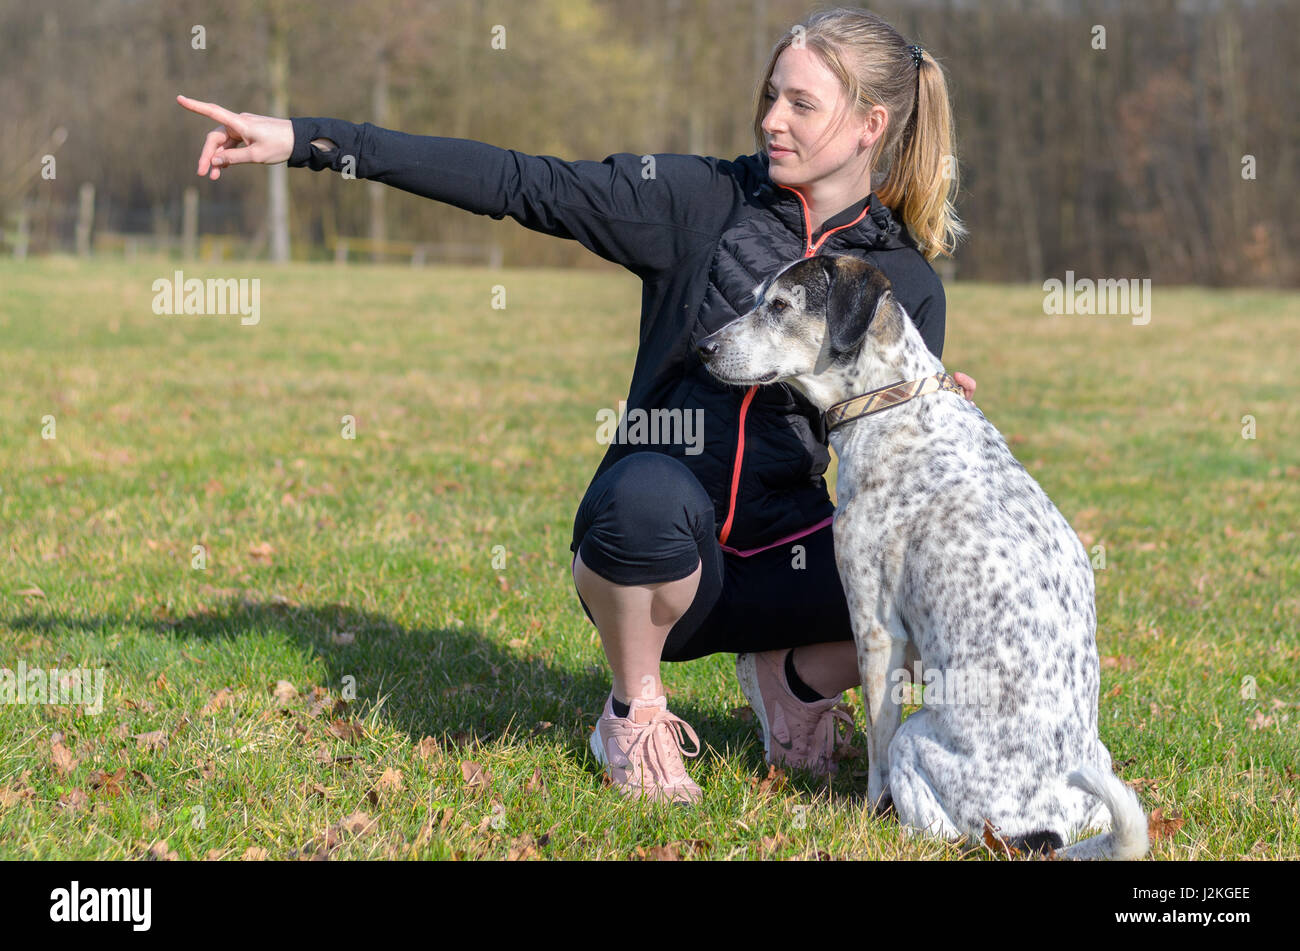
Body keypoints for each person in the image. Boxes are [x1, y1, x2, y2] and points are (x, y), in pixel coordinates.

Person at [178, 6, 976, 806]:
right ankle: (632, 712)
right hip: (660, 552)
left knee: (946, 585)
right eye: (771, 95)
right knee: (644, 497)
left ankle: (796, 681)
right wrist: (306, 142)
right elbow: (520, 182)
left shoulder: (902, 286)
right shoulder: (696, 200)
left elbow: (915, 474)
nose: (772, 119)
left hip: (784, 559)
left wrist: (936, 404)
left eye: (801, 104)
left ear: (872, 124)